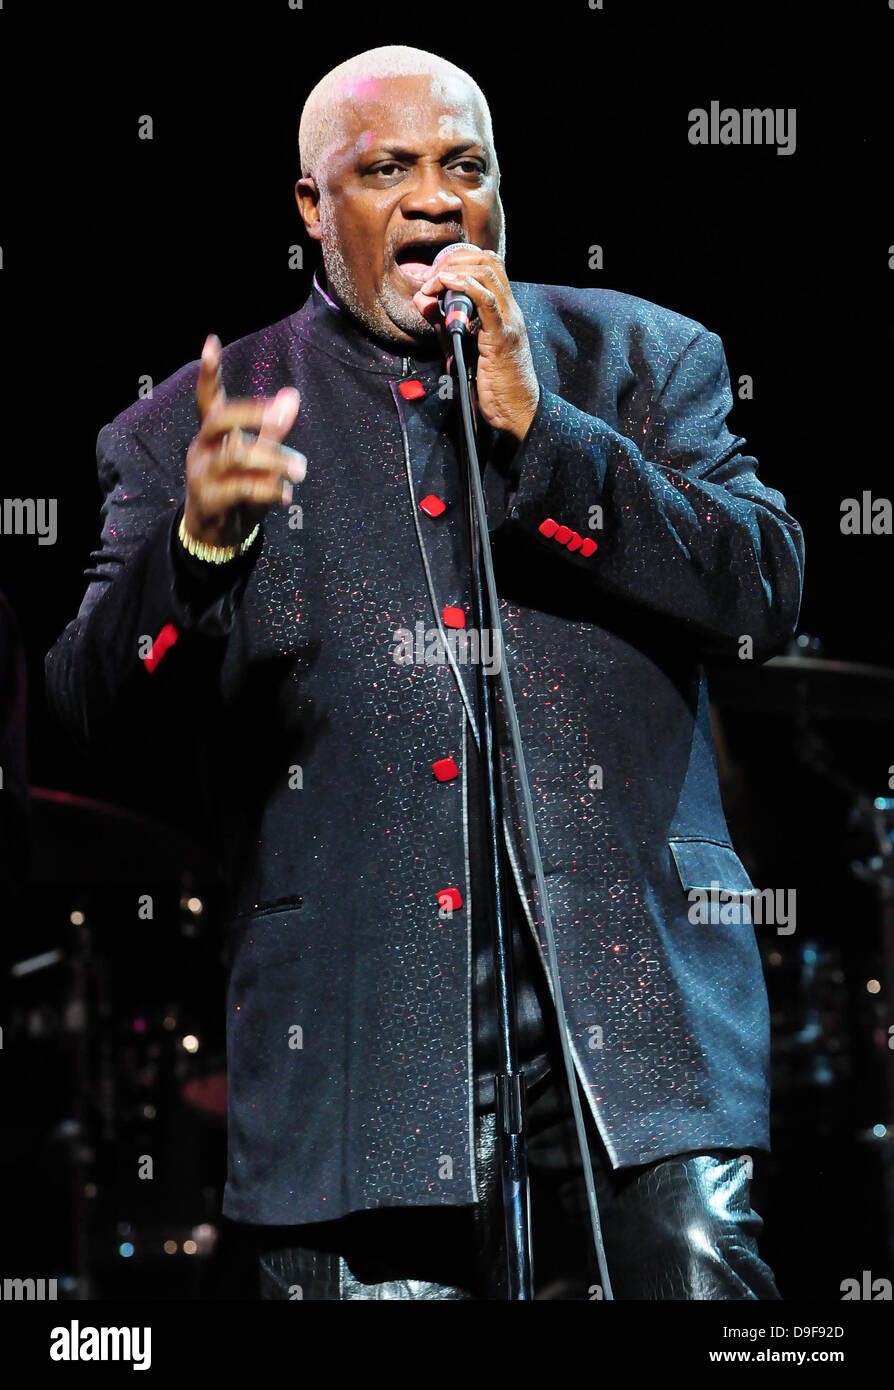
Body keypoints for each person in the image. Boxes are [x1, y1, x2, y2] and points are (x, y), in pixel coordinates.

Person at [45, 45, 804, 1300]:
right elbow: (84, 716)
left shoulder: (642, 362)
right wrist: (195, 553)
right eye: (386, 168)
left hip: (638, 1040)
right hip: (357, 1059)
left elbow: (764, 592)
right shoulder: (195, 420)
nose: (436, 199)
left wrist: (546, 436)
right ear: (311, 207)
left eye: (466, 166)